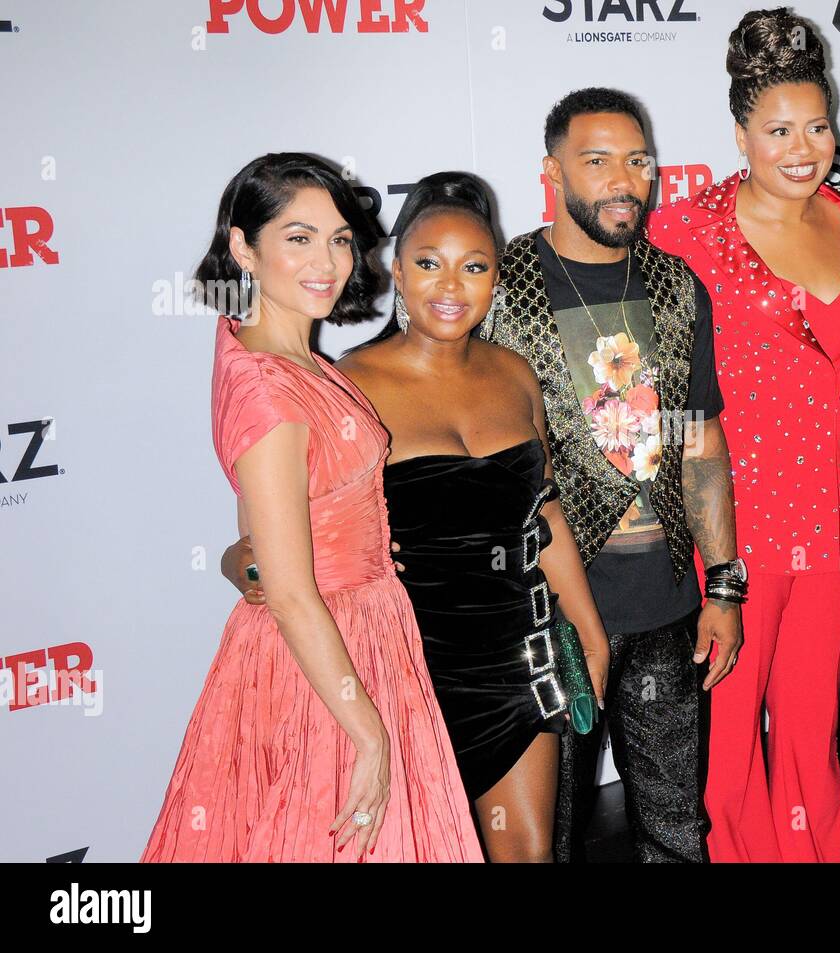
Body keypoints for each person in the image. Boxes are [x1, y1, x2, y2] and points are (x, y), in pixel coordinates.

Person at [222, 172, 612, 863]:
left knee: (528, 853)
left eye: (474, 266)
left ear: (497, 277)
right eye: (428, 263)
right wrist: (254, 567)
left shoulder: (515, 375)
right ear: (396, 271)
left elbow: (541, 508)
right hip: (401, 666)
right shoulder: (347, 383)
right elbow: (260, 540)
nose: (450, 286)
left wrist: (588, 626)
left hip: (514, 660)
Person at [142, 153, 482, 862]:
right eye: (298, 238)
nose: (326, 260)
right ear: (243, 246)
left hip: (357, 629)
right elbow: (292, 592)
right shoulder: (270, 387)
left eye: (337, 238)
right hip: (327, 657)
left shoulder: (284, 354)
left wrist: (336, 544)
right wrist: (367, 732)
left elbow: (260, 545)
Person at [649, 7, 840, 863]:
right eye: (778, 129)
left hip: (835, 524)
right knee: (725, 749)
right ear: (740, 134)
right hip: (736, 533)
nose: (801, 146)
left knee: (813, 733)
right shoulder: (685, 231)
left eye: (817, 126)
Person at [496, 87, 744, 863]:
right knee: (548, 839)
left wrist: (724, 586)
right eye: (596, 160)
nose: (623, 181)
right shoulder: (495, 286)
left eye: (638, 160)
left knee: (676, 832)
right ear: (551, 170)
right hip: (544, 618)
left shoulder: (677, 288)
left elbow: (702, 443)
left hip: (665, 610)